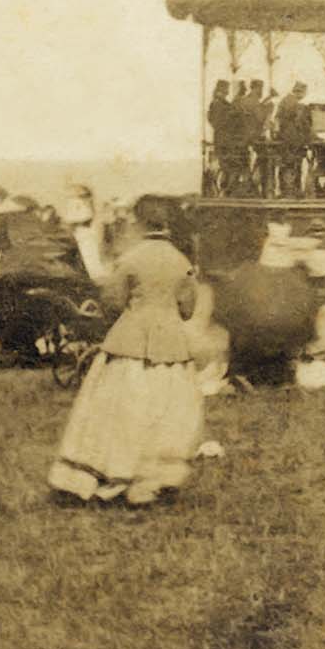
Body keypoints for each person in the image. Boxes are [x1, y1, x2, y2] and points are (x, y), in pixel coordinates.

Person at [48, 196, 204, 507]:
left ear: (140, 222)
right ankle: (155, 479)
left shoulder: (131, 259)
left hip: (128, 341)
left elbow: (112, 303)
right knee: (166, 413)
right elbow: (187, 308)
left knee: (119, 411)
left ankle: (106, 474)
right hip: (171, 345)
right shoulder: (181, 262)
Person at [275, 82, 312, 198]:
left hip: (284, 140)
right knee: (295, 165)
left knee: (285, 165)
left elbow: (277, 121)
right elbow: (303, 125)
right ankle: (294, 191)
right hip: (294, 140)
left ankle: (285, 191)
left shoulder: (284, 101)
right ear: (301, 92)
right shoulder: (297, 106)